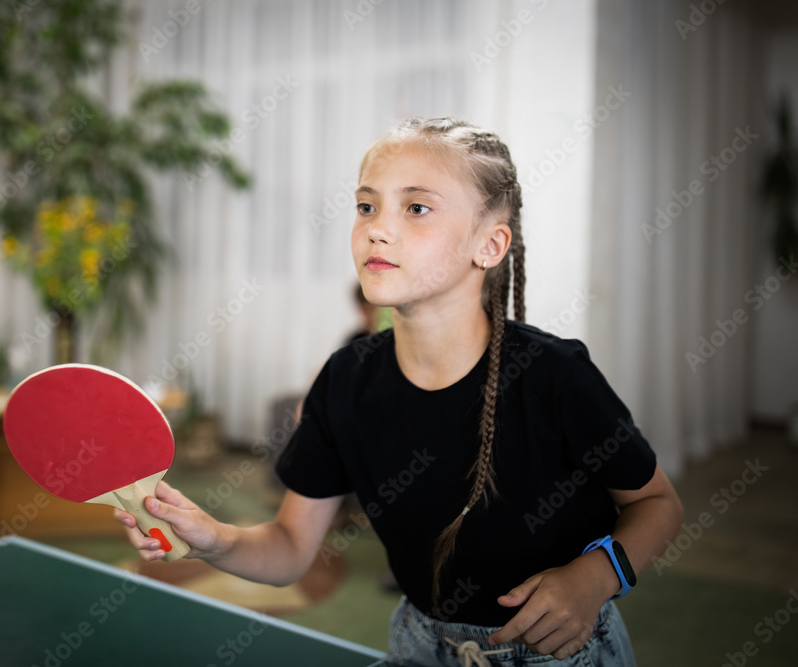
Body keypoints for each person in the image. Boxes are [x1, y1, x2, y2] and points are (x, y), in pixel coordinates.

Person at [114, 118, 685, 666]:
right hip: (419, 645)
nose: (376, 228)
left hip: (559, 654)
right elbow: (289, 547)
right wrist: (214, 538)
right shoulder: (345, 380)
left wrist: (594, 577)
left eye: (416, 207)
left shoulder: (555, 374)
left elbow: (658, 505)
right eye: (367, 206)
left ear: (489, 245)